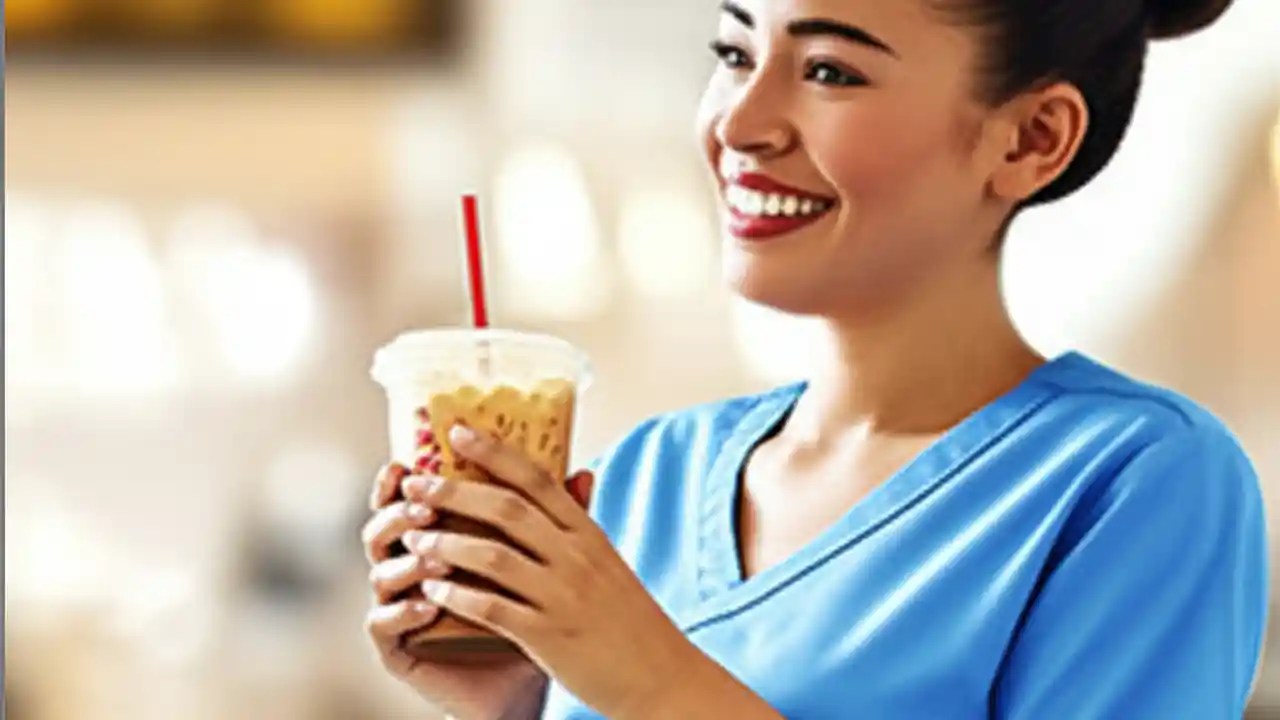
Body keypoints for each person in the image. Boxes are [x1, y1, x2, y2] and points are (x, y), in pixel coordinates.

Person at [360, 0, 1268, 717]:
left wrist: (645, 679)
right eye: (733, 54)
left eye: (830, 71)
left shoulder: (1134, 481)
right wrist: (522, 702)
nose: (741, 123)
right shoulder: (645, 475)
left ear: (1033, 138)